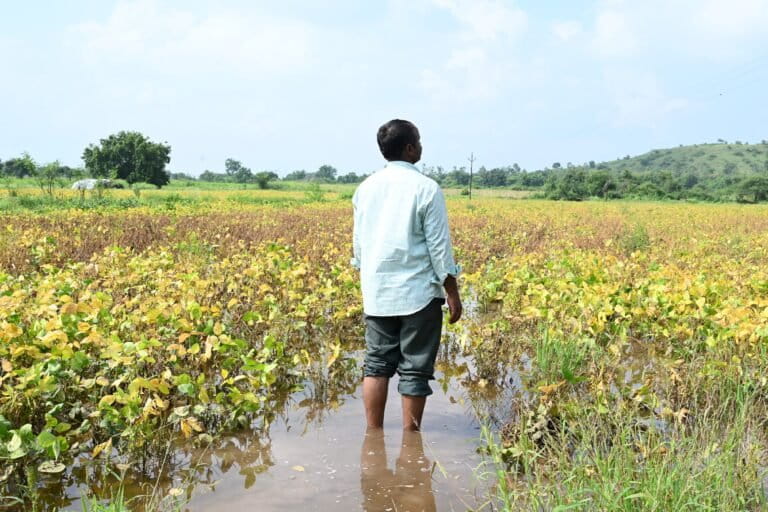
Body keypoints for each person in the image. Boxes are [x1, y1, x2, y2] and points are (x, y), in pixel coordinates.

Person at [351, 119, 462, 432]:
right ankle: (410, 443)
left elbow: (359, 247)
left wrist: (370, 279)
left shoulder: (365, 189)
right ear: (410, 148)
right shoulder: (426, 188)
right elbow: (440, 250)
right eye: (419, 141)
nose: (422, 146)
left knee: (376, 365)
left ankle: (373, 436)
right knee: (414, 371)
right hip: (419, 295)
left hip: (377, 293)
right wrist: (452, 291)